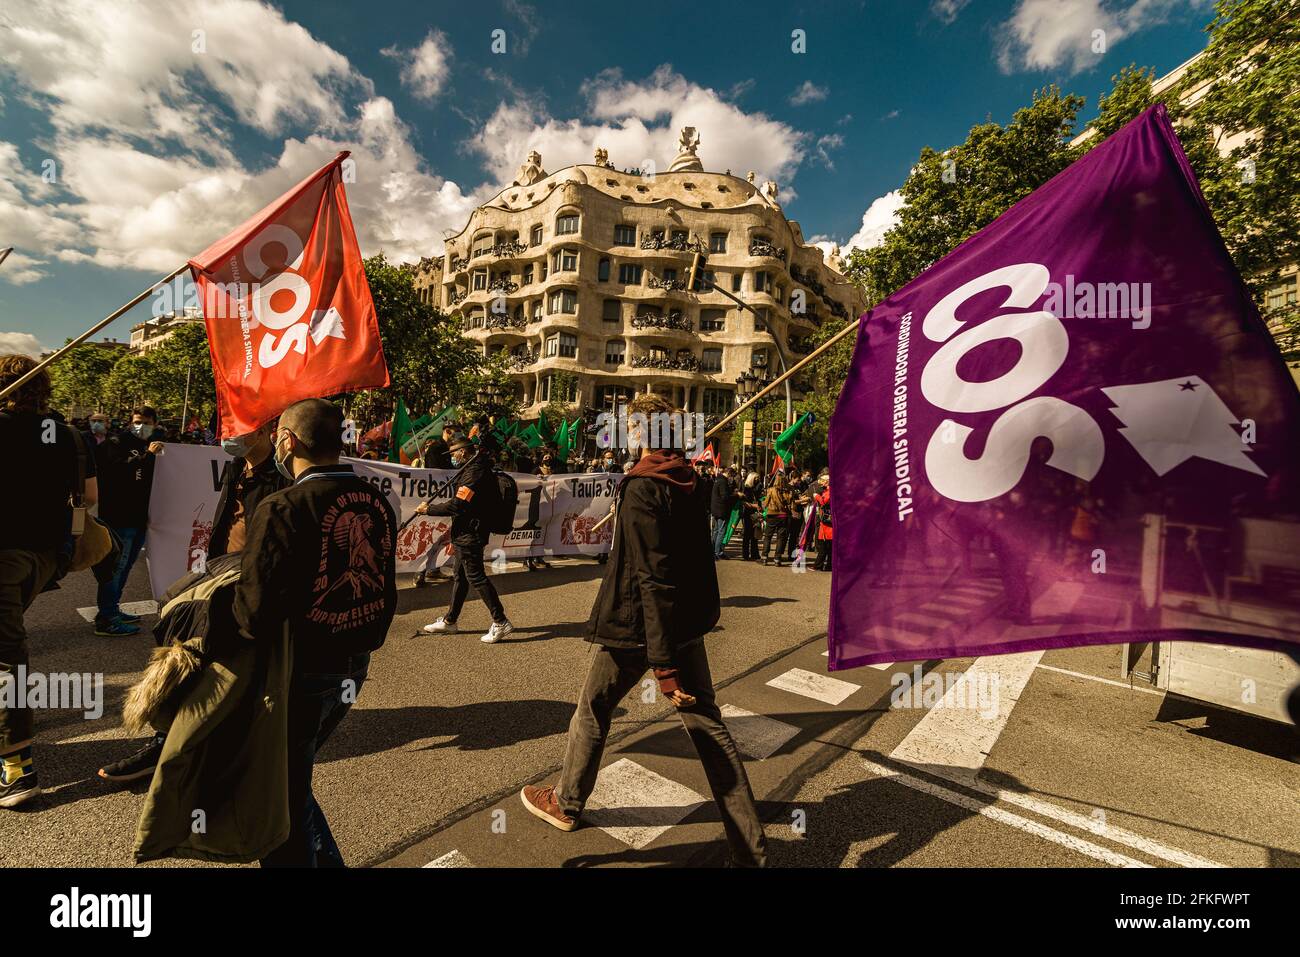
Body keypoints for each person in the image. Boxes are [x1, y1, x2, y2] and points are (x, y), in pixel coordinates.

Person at [519, 394, 766, 866]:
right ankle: (750, 850)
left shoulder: (643, 487)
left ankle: (566, 803)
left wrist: (663, 662)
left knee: (593, 709)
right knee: (708, 728)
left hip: (639, 628)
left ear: (644, 434)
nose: (625, 434)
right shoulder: (687, 479)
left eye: (631, 427)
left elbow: (654, 576)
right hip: (680, 626)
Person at [233, 398, 397, 866]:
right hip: (353, 663)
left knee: (278, 794)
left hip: (299, 673)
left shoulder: (283, 506)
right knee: (289, 780)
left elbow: (254, 613)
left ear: (288, 441)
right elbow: (385, 587)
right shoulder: (375, 499)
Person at [97, 419, 290, 786]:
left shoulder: (282, 480)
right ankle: (167, 739)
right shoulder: (236, 468)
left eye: (241, 428)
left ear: (266, 431)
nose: (229, 437)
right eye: (228, 429)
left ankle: (185, 745)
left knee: (225, 667)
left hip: (249, 586)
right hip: (216, 577)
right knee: (183, 647)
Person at [1, 355, 98, 808]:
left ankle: (18, 767)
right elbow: (90, 497)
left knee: (5, 656)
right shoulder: (66, 435)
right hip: (43, 556)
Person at [419, 435, 514, 643]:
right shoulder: (471, 469)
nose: (452, 457)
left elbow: (459, 505)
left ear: (463, 451)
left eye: (453, 452)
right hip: (465, 532)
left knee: (476, 576)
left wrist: (429, 509)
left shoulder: (475, 473)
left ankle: (500, 621)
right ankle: (450, 621)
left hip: (471, 533)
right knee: (461, 577)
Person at [92, 406, 165, 637]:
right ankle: (107, 618)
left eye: (146, 422)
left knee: (126, 566)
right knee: (115, 567)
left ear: (154, 423)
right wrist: (148, 457)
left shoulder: (154, 443)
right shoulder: (115, 443)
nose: (141, 426)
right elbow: (122, 474)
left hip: (140, 517)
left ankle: (112, 608)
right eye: (137, 421)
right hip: (119, 517)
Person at [762, 472, 796, 566]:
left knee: (768, 536)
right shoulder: (788, 490)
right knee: (781, 538)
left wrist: (763, 507)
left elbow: (765, 503)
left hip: (772, 515)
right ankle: (777, 558)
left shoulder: (771, 490)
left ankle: (764, 557)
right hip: (783, 516)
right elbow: (791, 502)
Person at [709, 465, 738, 559]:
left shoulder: (718, 479)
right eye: (732, 475)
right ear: (729, 473)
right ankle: (717, 552)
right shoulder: (722, 481)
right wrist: (736, 495)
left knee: (716, 531)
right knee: (721, 531)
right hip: (721, 510)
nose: (732, 478)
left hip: (716, 509)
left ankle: (714, 551)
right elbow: (725, 497)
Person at [739, 471, 762, 561]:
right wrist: (754, 506)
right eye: (756, 478)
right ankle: (745, 554)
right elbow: (744, 502)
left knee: (754, 535)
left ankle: (754, 554)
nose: (758, 480)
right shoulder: (747, 489)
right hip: (748, 514)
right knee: (747, 535)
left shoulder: (756, 489)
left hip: (755, 514)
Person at [813, 472, 833, 571]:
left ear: (826, 482)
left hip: (827, 522)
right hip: (826, 522)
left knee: (824, 546)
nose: (820, 482)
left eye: (822, 481)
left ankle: (819, 565)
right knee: (828, 547)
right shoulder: (827, 490)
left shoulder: (829, 491)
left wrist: (816, 496)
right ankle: (827, 565)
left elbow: (823, 502)